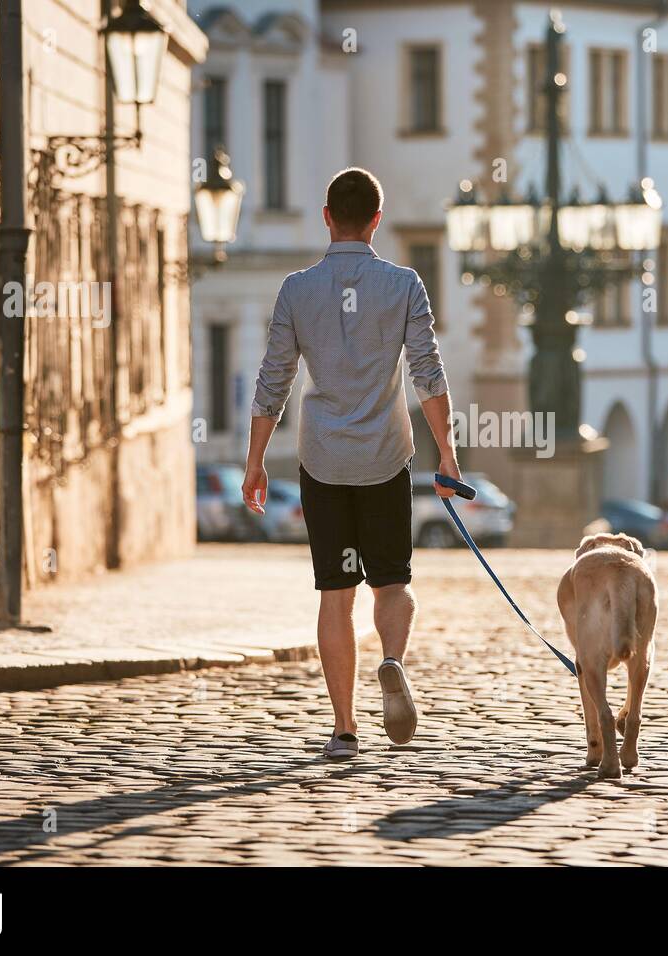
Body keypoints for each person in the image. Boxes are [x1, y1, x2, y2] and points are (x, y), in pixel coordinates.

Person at [242, 167, 459, 759]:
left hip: (323, 463)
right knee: (393, 583)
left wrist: (256, 461)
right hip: (386, 460)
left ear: (326, 216)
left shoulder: (297, 290)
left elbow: (273, 382)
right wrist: (448, 453)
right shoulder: (404, 284)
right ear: (377, 221)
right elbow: (428, 374)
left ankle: (344, 727)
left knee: (336, 593)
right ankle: (391, 660)